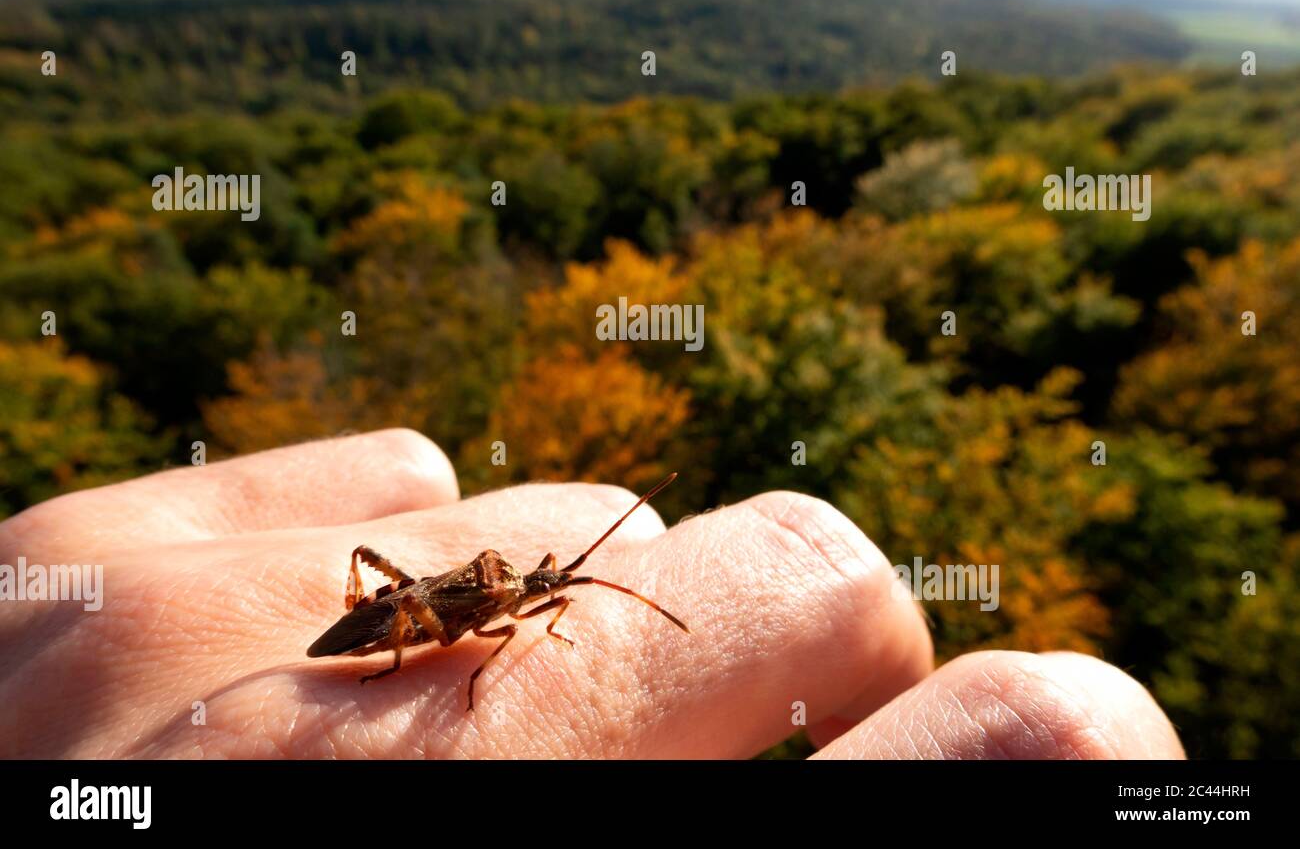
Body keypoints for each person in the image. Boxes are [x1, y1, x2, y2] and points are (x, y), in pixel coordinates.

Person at [0, 429, 1183, 759]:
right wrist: (448, 665)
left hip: (416, 617)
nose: (560, 586)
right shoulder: (492, 604)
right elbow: (495, 625)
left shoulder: (533, 596)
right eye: (555, 580)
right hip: (399, 622)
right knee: (413, 601)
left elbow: (536, 609)